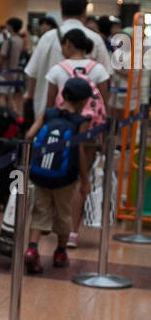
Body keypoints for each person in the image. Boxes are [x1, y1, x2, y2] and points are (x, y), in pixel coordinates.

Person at [38, 26, 110, 248]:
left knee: (57, 177)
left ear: (68, 44)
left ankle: (51, 224)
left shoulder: (58, 70)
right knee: (81, 178)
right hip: (88, 131)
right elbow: (104, 104)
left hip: (61, 132)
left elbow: (49, 105)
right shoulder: (98, 69)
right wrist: (105, 138)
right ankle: (72, 233)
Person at [25, 78, 92, 274]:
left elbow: (29, 135)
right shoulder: (80, 122)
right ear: (82, 102)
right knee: (63, 213)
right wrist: (85, 181)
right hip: (65, 177)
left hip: (39, 174)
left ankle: (32, 249)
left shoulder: (48, 113)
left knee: (40, 211)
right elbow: (79, 152)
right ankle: (60, 252)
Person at [24, 0, 111, 122]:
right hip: (86, 117)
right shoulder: (95, 39)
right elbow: (106, 76)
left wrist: (30, 97)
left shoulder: (47, 38)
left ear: (61, 11)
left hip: (48, 114)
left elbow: (32, 73)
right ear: (84, 12)